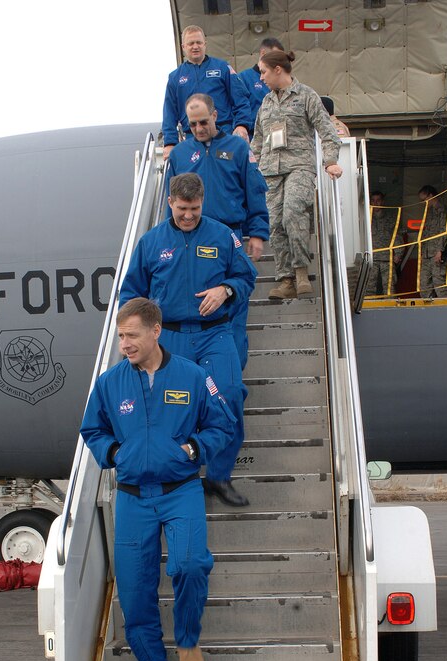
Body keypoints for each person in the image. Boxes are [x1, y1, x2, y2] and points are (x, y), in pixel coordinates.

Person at [80, 298, 235, 661]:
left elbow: (221, 425)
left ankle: (187, 639)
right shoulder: (110, 383)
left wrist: (192, 450)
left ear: (155, 331)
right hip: (132, 498)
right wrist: (115, 453)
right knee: (134, 590)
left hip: (180, 491)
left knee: (190, 565)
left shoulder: (193, 376)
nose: (124, 344)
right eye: (120, 336)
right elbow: (93, 430)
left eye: (131, 335)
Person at [120, 172, 257, 507]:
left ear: (202, 202)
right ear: (170, 202)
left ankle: (219, 477)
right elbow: (131, 294)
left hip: (214, 334)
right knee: (170, 408)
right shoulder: (151, 242)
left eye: (194, 208)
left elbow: (246, 276)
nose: (188, 215)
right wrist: (136, 337)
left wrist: (226, 290)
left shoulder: (223, 236)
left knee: (228, 395)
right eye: (182, 208)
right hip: (168, 337)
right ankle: (179, 477)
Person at [167, 92, 269, 367]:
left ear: (215, 115)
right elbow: (171, 204)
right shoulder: (179, 154)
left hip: (230, 236)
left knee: (233, 304)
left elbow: (255, 191)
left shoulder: (238, 148)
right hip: (189, 240)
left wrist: (257, 233)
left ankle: (231, 374)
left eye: (203, 122)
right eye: (192, 124)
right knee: (195, 307)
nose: (198, 128)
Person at [251, 50, 342, 300]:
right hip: (270, 170)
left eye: (264, 72)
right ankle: (286, 279)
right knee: (274, 222)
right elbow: (257, 142)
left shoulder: (306, 96)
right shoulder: (266, 102)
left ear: (278, 69)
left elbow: (327, 131)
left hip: (299, 167)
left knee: (293, 212)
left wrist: (330, 161)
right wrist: (250, 172)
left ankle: (301, 272)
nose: (261, 78)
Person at [162, 25, 251, 161]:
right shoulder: (175, 77)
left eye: (199, 42)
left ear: (205, 44)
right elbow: (169, 113)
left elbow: (241, 99)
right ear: (183, 47)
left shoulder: (222, 68)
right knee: (196, 173)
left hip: (223, 135)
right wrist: (170, 143)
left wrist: (241, 125)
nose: (195, 46)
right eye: (191, 43)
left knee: (226, 169)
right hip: (192, 138)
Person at [238, 37, 284, 136]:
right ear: (263, 53)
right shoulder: (244, 78)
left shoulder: (281, 79)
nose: (278, 61)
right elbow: (240, 108)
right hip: (254, 135)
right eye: (275, 56)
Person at [417, 184, 447, 298]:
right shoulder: (429, 211)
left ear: (431, 196)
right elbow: (426, 232)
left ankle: (444, 307)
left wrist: (440, 250)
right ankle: (427, 306)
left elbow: (444, 231)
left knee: (439, 284)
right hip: (427, 253)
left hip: (437, 253)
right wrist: (423, 251)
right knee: (424, 284)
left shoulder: (441, 209)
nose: (423, 203)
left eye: (424, 200)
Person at [367, 190, 400, 296]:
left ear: (383, 202)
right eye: (373, 200)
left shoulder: (390, 218)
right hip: (371, 257)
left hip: (387, 257)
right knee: (369, 286)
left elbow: (397, 235)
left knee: (389, 286)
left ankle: (390, 305)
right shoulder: (366, 218)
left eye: (378, 200)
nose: (376, 203)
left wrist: (398, 253)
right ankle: (369, 305)